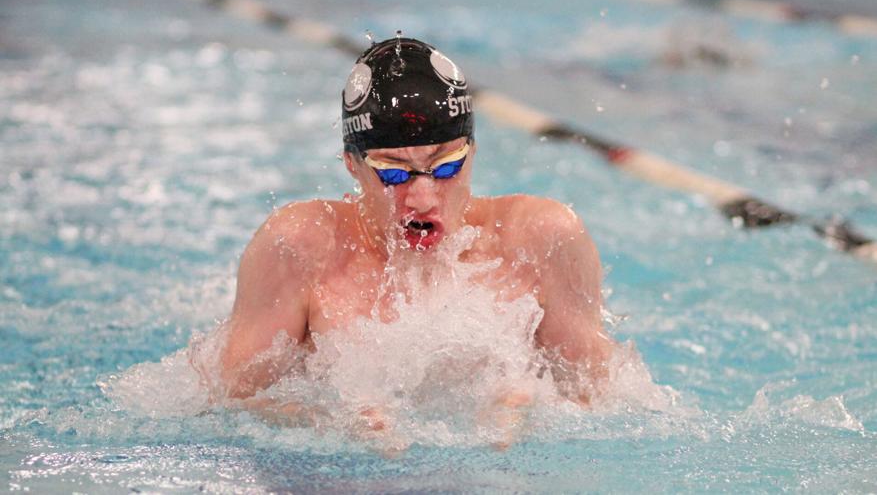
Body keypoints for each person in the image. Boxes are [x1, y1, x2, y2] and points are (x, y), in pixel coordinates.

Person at [215, 37, 615, 436]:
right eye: (393, 174)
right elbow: (225, 405)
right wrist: (330, 421)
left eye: (445, 168)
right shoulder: (299, 247)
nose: (422, 199)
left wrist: (535, 414)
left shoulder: (544, 239)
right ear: (353, 166)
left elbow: (605, 402)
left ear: (472, 152)